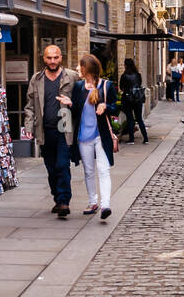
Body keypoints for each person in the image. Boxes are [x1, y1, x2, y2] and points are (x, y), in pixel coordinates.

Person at [23, 44, 77, 219]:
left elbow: (82, 102)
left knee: (62, 165)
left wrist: (72, 103)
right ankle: (57, 197)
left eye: (55, 57)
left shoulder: (72, 76)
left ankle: (64, 201)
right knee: (51, 167)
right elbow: (30, 105)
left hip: (65, 128)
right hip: (45, 130)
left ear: (61, 57)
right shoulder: (36, 79)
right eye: (49, 58)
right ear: (43, 58)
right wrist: (29, 126)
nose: (52, 61)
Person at [63, 54, 118, 220]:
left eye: (80, 66)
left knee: (103, 169)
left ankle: (106, 205)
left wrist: (105, 106)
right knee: (88, 171)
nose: (78, 69)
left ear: (88, 68)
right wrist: (70, 103)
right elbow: (76, 112)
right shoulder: (79, 87)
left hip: (100, 136)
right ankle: (93, 201)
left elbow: (116, 108)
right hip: (83, 137)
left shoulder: (107, 86)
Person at [117, 58, 149, 144]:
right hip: (137, 98)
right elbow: (139, 84)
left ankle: (131, 139)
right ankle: (146, 138)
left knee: (130, 118)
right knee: (139, 119)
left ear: (126, 65)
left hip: (128, 99)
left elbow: (121, 87)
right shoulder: (138, 75)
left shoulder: (124, 75)